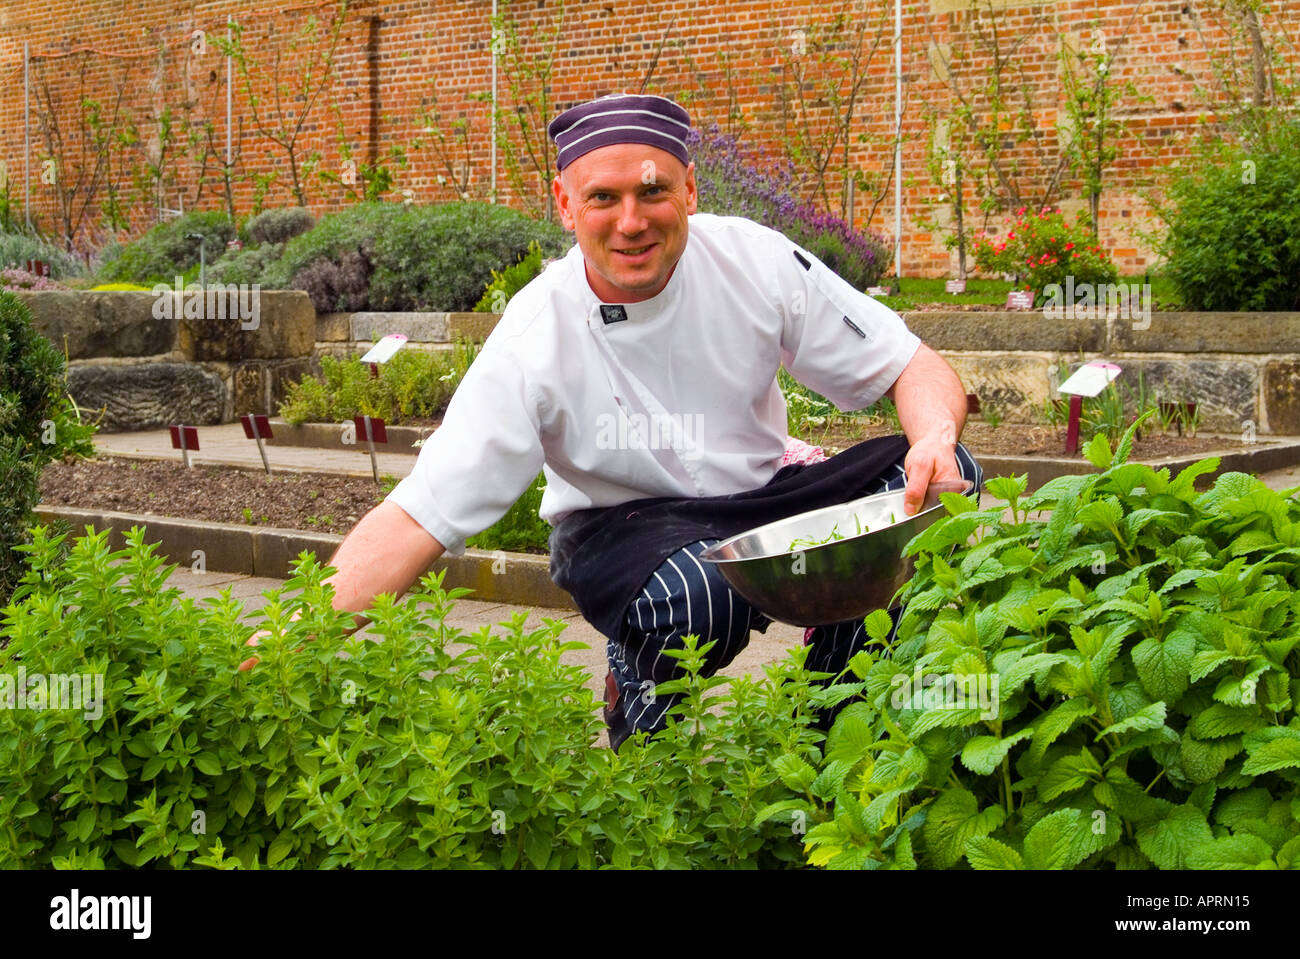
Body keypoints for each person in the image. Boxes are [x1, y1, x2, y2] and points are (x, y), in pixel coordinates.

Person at [244, 92, 983, 751]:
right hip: (619, 527)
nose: (631, 221)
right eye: (603, 197)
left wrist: (934, 438)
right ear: (566, 207)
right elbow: (418, 515)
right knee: (701, 597)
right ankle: (644, 741)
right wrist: (274, 650)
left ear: (689, 190)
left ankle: (830, 740)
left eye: (653, 190)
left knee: (942, 492)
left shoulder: (755, 262)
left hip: (760, 492)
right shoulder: (535, 334)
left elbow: (912, 367)